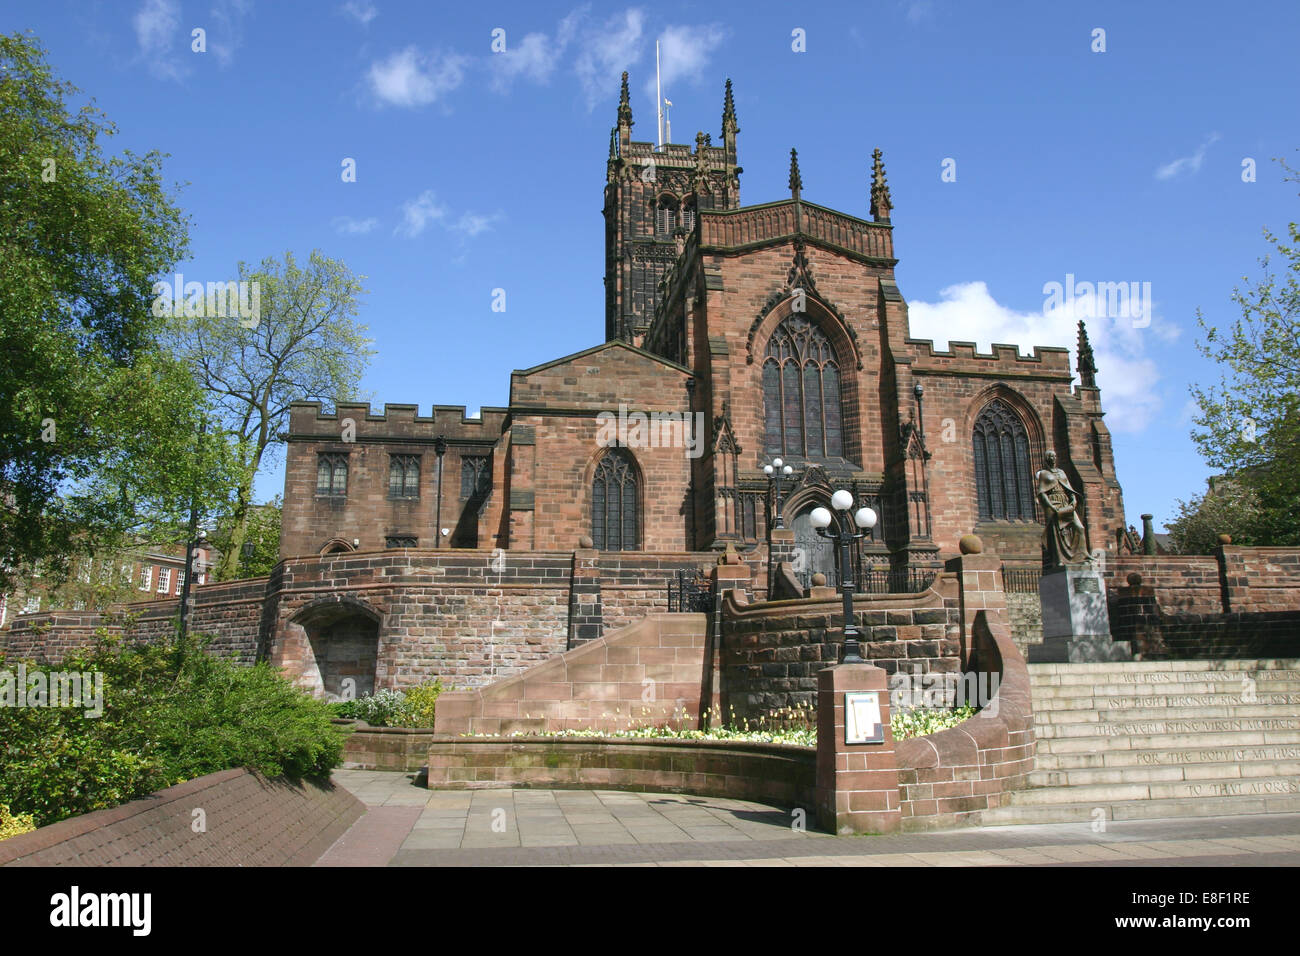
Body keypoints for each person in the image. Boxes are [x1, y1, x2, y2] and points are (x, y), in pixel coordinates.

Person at [1036, 451, 1085, 568]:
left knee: (1079, 528)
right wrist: (1051, 507)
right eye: (1050, 456)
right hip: (1054, 503)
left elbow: (1069, 488)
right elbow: (1042, 493)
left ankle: (1081, 556)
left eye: (1054, 456)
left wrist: (1073, 499)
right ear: (1047, 459)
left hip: (1066, 503)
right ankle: (1060, 559)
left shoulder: (1061, 472)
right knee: (1057, 533)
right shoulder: (1043, 473)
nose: (1053, 458)